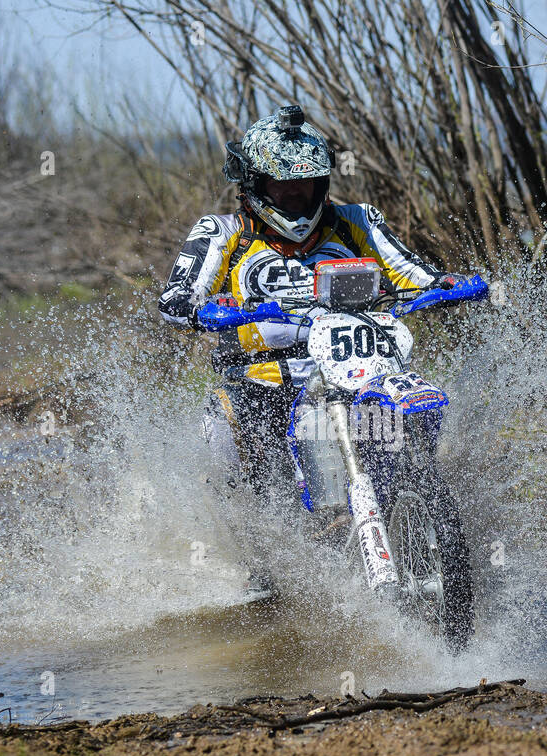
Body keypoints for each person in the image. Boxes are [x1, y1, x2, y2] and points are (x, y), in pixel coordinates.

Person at [158, 104, 459, 596]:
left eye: (307, 187)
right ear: (254, 184)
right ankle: (261, 567)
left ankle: (422, 522)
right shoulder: (222, 234)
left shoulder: (355, 221)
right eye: (283, 189)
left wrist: (444, 284)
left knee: (408, 431)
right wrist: (204, 309)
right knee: (229, 440)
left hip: (355, 374)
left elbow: (413, 271)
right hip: (264, 386)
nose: (296, 199)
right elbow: (176, 298)